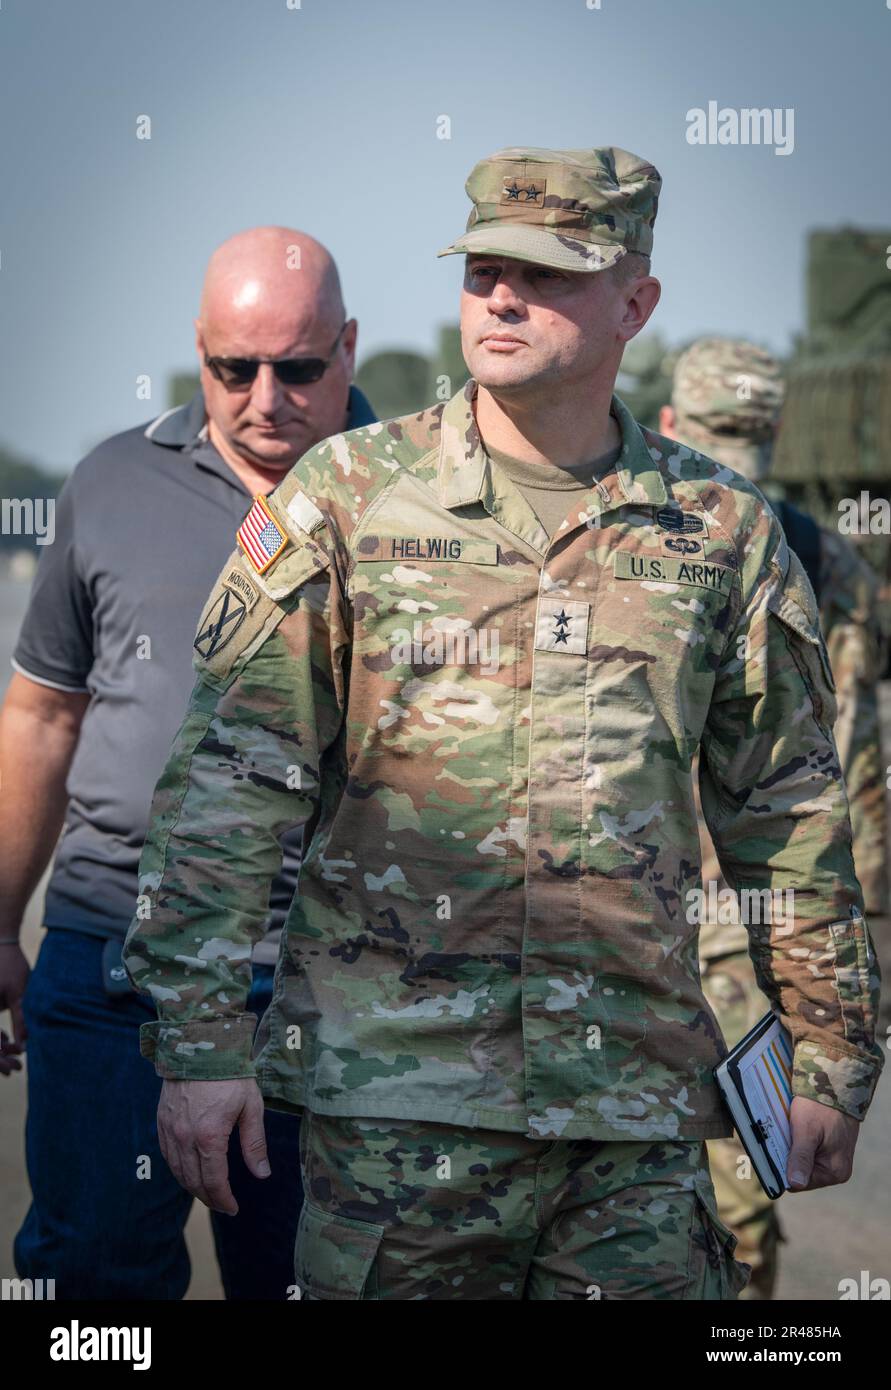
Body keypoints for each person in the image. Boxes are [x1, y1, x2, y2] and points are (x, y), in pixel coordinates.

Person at [123, 147, 883, 1301]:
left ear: (637, 302)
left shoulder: (721, 531)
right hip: (401, 1120)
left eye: (548, 272)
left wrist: (829, 1052)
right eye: (483, 269)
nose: (502, 297)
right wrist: (200, 1047)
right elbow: (231, 785)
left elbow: (789, 808)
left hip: (634, 1122)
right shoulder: (346, 500)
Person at [0, 225, 376, 1300]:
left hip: (336, 983)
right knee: (93, 1279)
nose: (266, 397)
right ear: (198, 351)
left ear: (349, 346)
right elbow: (40, 718)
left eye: (300, 367)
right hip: (114, 960)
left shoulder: (414, 507)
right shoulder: (111, 484)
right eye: (232, 367)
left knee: (314, 1284)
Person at [659, 337, 889, 1298]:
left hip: (714, 904)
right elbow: (863, 753)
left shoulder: (671, 529)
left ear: (672, 424)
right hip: (771, 900)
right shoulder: (829, 556)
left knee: (732, 1164)